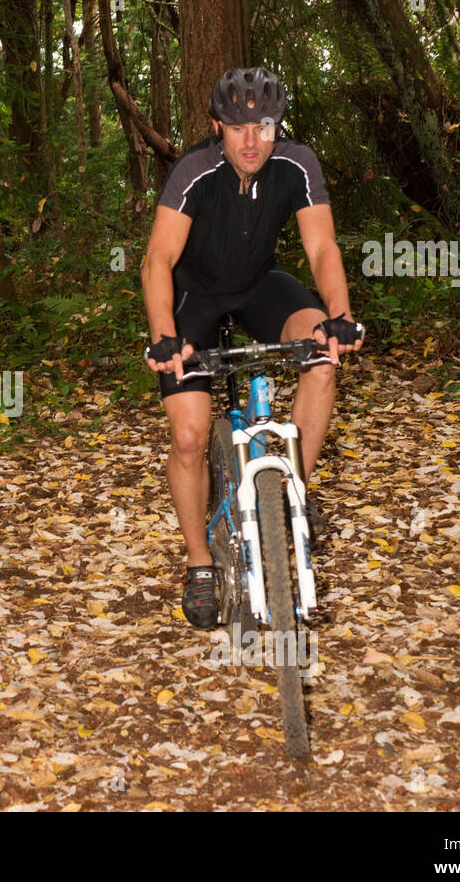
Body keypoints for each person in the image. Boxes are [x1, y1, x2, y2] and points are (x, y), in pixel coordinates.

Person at [140, 66, 364, 630]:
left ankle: (294, 492)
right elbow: (157, 261)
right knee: (189, 436)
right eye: (238, 126)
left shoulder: (297, 164)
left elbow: (322, 247)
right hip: (193, 299)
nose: (251, 140)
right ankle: (199, 565)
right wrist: (165, 336)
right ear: (217, 126)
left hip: (260, 285)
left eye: (263, 126)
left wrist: (339, 317)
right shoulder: (193, 170)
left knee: (320, 357)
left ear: (277, 126)